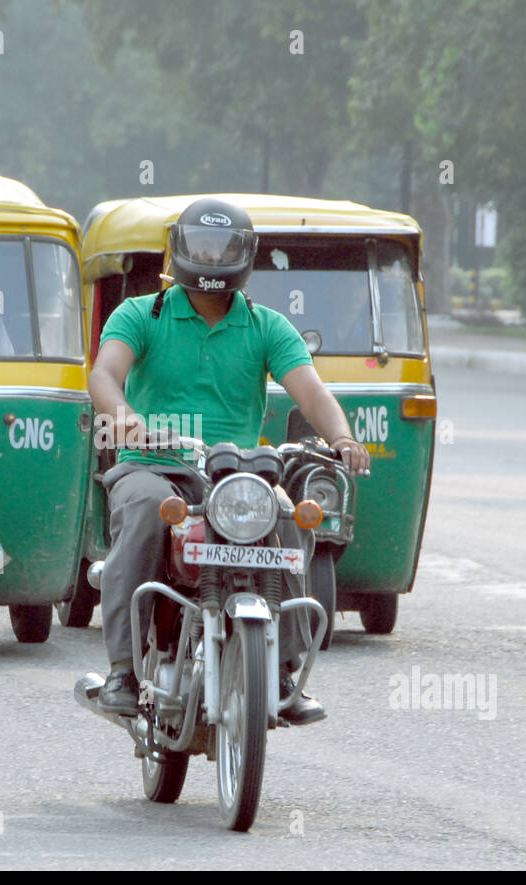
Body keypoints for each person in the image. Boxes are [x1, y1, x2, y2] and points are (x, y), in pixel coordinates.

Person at [88, 198, 369, 724]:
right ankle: (123, 670)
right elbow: (104, 375)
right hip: (154, 466)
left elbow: (310, 391)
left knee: (288, 518)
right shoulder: (139, 314)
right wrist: (125, 416)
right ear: (180, 249)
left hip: (234, 473)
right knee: (149, 510)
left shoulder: (268, 327)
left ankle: (283, 671)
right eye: (203, 246)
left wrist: (342, 437)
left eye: (225, 247)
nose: (213, 258)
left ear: (246, 254)